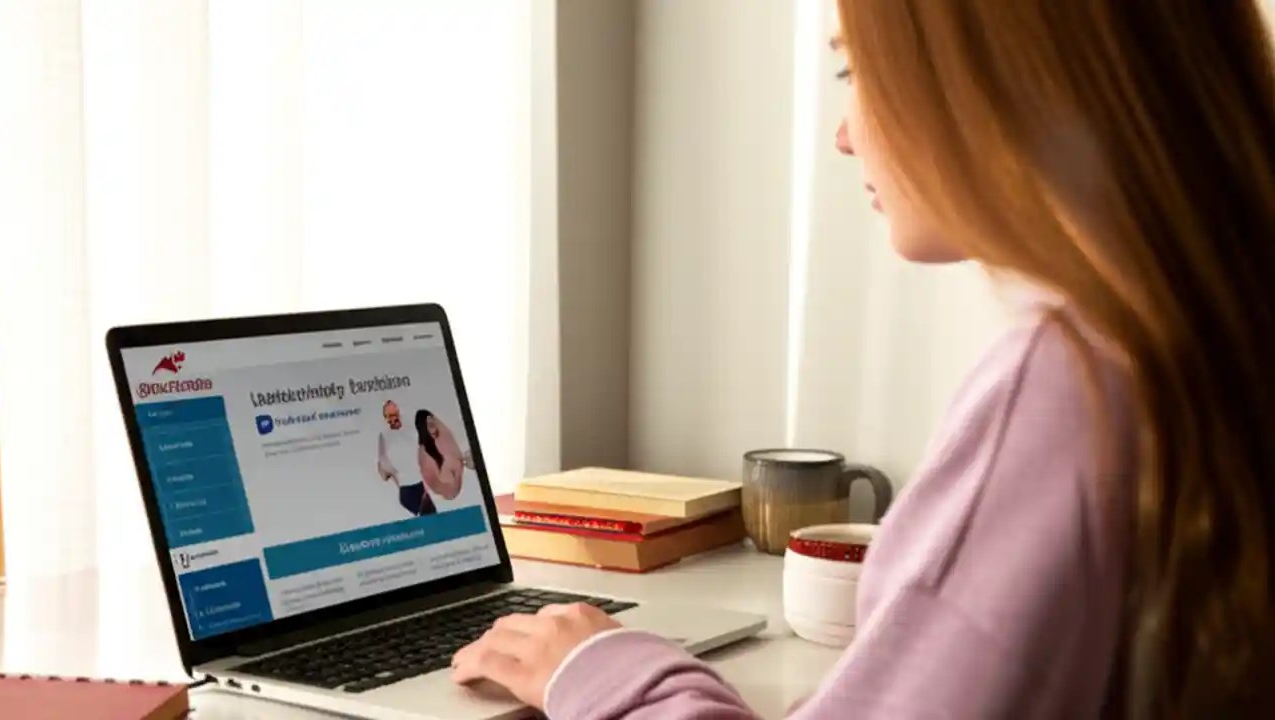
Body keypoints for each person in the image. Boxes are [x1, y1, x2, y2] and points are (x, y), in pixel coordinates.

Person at [450, 2, 1275, 718]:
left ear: (989, 70)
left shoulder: (1074, 385)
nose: (844, 135)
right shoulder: (1216, 337)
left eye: (855, 70)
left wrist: (606, 672)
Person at [376, 400, 436, 517]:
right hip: (408, 490)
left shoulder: (411, 430)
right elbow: (383, 470)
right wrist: (397, 479)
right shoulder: (385, 436)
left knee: (433, 521)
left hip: (417, 486)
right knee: (431, 521)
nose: (393, 417)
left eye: (395, 412)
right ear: (385, 417)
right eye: (390, 414)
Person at [414, 409, 466, 501]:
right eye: (427, 423)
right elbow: (432, 482)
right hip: (449, 494)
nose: (432, 424)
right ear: (423, 426)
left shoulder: (445, 440)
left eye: (432, 420)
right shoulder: (424, 452)